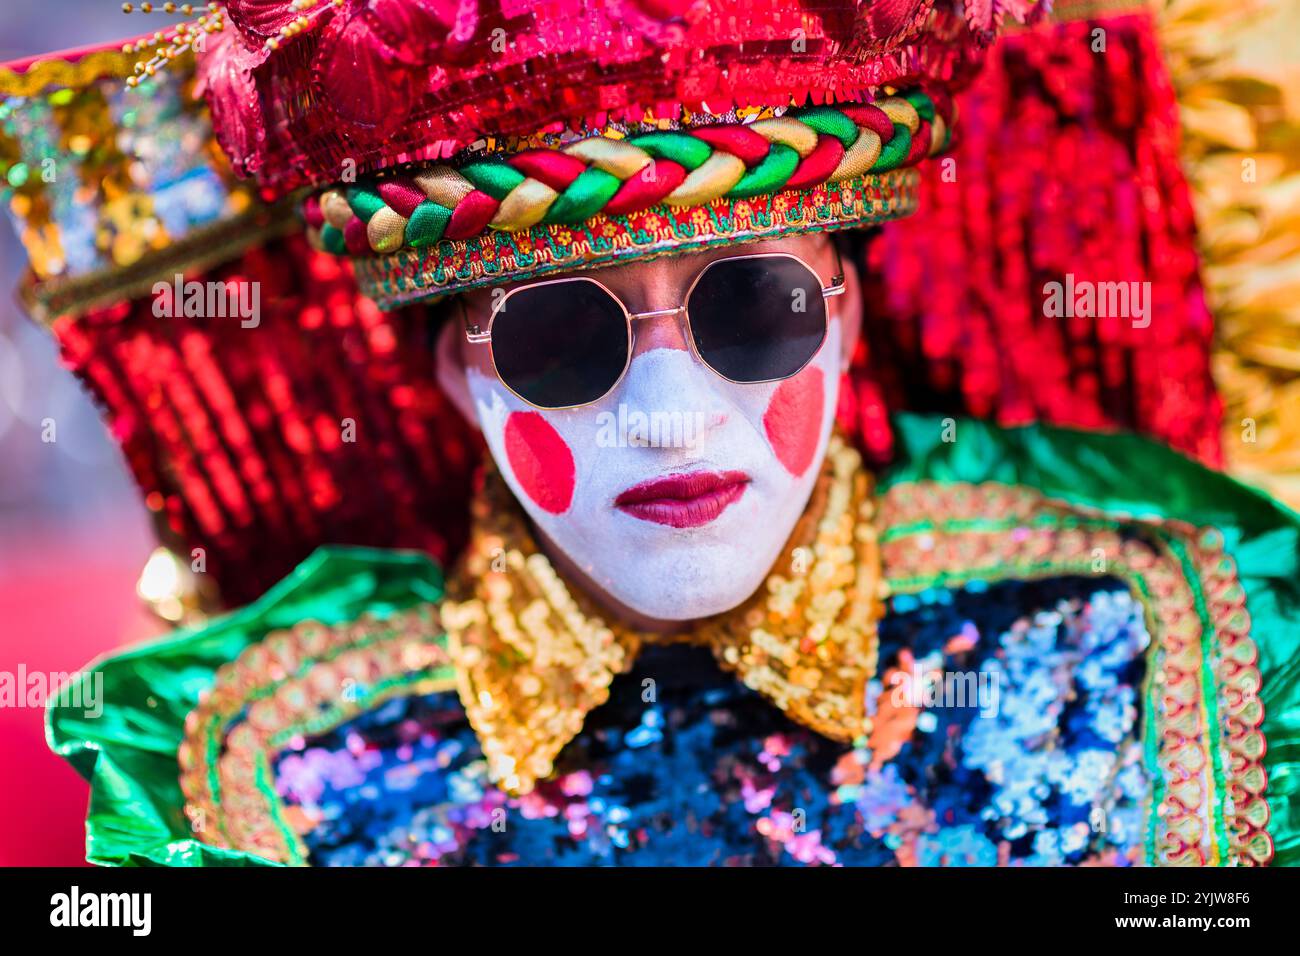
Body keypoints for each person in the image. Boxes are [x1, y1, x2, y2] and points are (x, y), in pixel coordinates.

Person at [3, 0, 1295, 866]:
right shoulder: (265, 781)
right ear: (462, 379)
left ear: (845, 322)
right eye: (561, 340)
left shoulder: (1163, 636)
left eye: (755, 307)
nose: (674, 421)